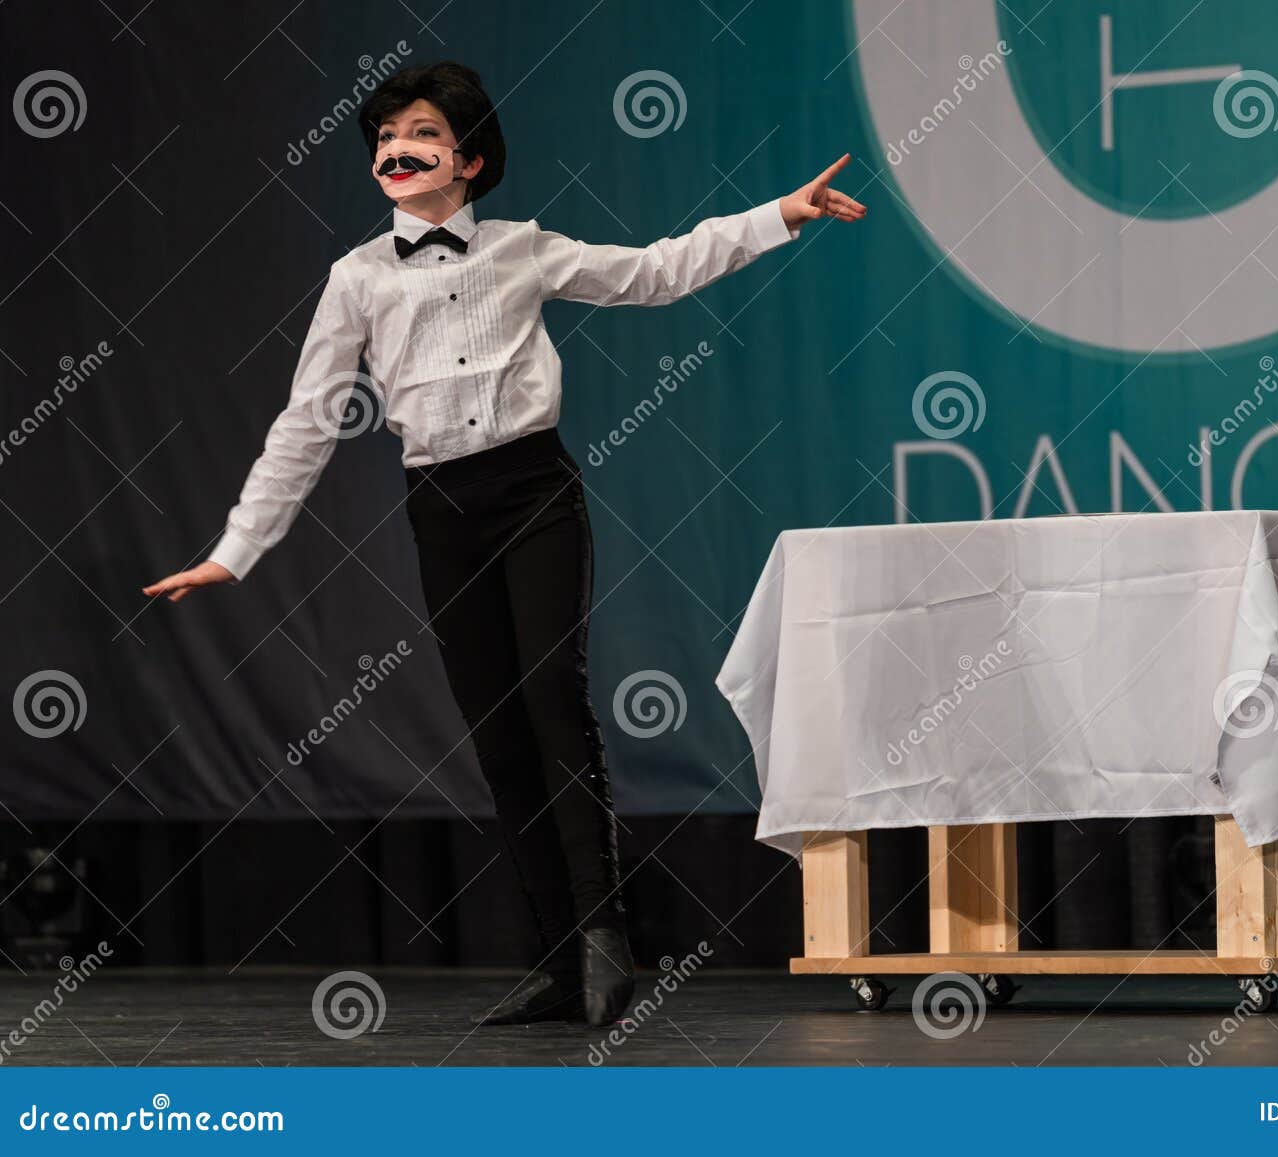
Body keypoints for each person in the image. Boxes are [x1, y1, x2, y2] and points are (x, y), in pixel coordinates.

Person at [142, 61, 865, 1026]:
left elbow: (655, 272)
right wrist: (236, 549)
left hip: (532, 493)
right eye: (387, 137)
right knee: (497, 734)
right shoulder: (356, 278)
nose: (399, 148)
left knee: (551, 706)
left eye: (425, 133)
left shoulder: (524, 248)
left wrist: (779, 213)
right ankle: (560, 960)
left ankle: (609, 938)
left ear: (469, 160)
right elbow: (307, 420)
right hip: (441, 505)